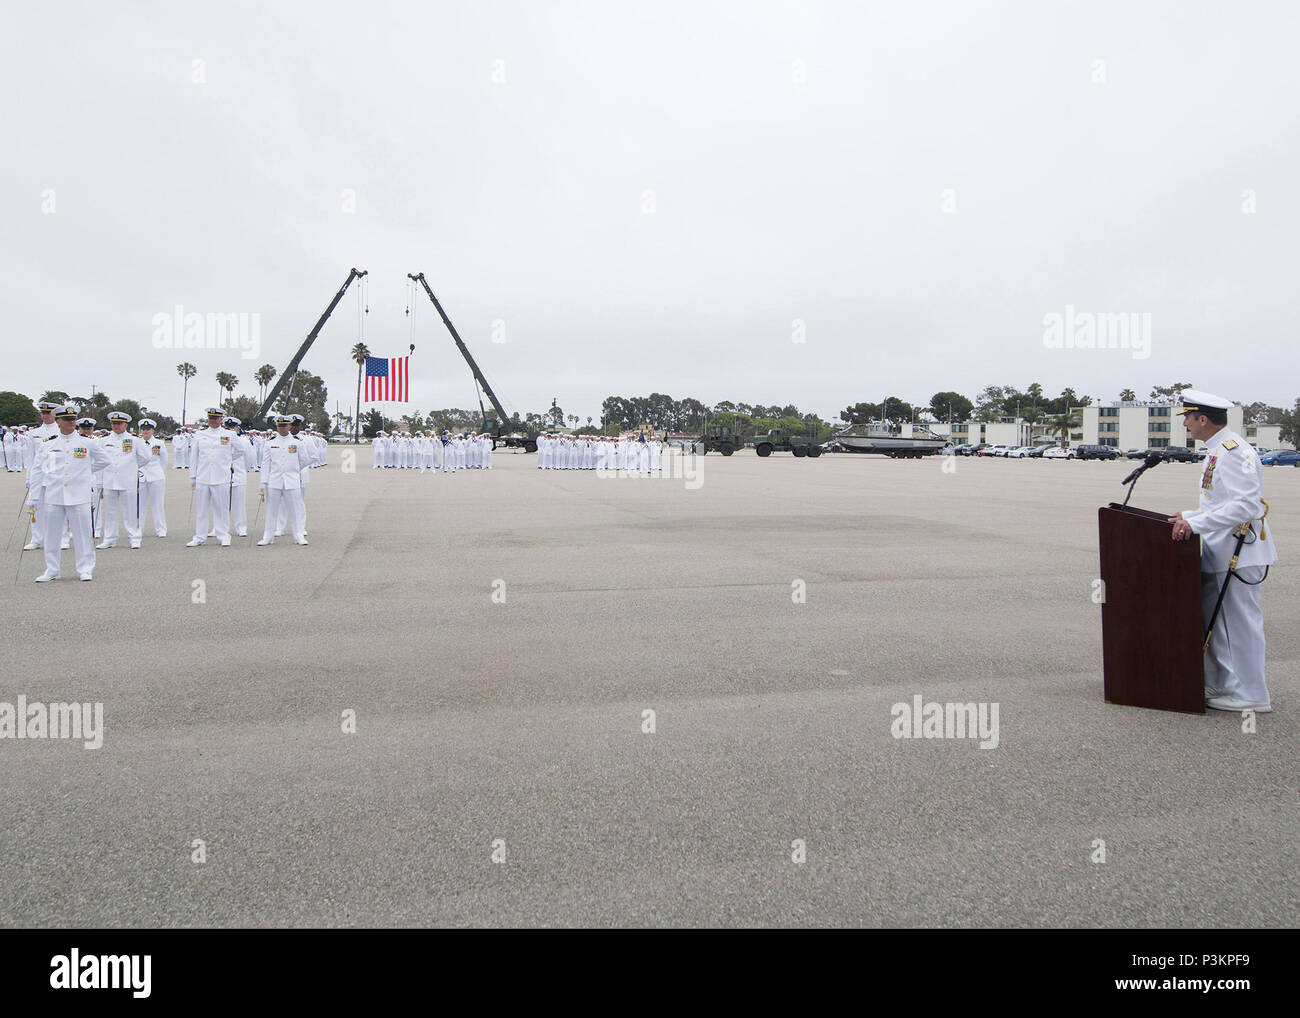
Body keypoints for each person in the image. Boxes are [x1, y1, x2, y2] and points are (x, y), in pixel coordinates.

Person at [1169, 390, 1278, 712]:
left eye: (1188, 417)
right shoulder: (1217, 450)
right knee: (1217, 622)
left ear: (1204, 419)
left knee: (1240, 624)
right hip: (1221, 550)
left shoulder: (1232, 451)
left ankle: (1253, 694)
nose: (1186, 423)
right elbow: (1220, 503)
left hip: (1238, 552)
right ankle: (1222, 684)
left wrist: (1196, 526)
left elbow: (1245, 505)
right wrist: (1189, 517)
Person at [25, 405, 111, 581]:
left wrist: (86, 471)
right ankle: (52, 569)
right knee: (51, 535)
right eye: (67, 420)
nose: (71, 422)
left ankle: (85, 568)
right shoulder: (48, 444)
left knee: (83, 535)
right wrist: (33, 496)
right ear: (58, 421)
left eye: (73, 419)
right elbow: (38, 470)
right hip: (54, 495)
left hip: (79, 495)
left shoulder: (87, 442)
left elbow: (104, 460)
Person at [188, 407, 238, 547]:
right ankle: (199, 536)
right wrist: (192, 476)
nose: (213, 421)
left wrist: (227, 460)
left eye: (216, 418)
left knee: (221, 508)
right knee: (201, 509)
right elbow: (194, 457)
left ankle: (223, 535)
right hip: (203, 476)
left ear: (221, 419)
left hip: (221, 476)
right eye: (211, 418)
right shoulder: (200, 434)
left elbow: (240, 450)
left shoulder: (229, 434)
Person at [258, 414, 310, 546]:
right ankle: (268, 536)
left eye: (284, 426)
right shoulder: (270, 443)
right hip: (274, 481)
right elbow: (265, 464)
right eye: (279, 426)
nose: (282, 428)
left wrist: (293, 470)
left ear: (290, 426)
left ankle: (298, 535)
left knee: (295, 510)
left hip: (291, 481)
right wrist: (263, 482)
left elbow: (304, 460)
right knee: (271, 510)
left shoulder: (297, 442)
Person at [98, 410, 147, 549]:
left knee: (130, 511)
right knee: (110, 511)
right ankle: (109, 538)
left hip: (127, 480)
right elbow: (101, 459)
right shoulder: (104, 440)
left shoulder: (135, 440)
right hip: (109, 480)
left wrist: (132, 467)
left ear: (126, 424)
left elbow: (146, 457)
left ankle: (134, 538)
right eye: (114, 423)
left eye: (119, 423)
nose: (116, 426)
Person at [137, 418, 168, 537]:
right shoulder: (136, 442)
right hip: (141, 477)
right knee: (140, 505)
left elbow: (164, 461)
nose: (145, 431)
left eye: (148, 429)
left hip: (156, 477)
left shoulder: (159, 443)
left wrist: (160, 473)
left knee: (158, 504)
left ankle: (161, 530)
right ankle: (139, 529)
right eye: (143, 429)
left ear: (153, 431)